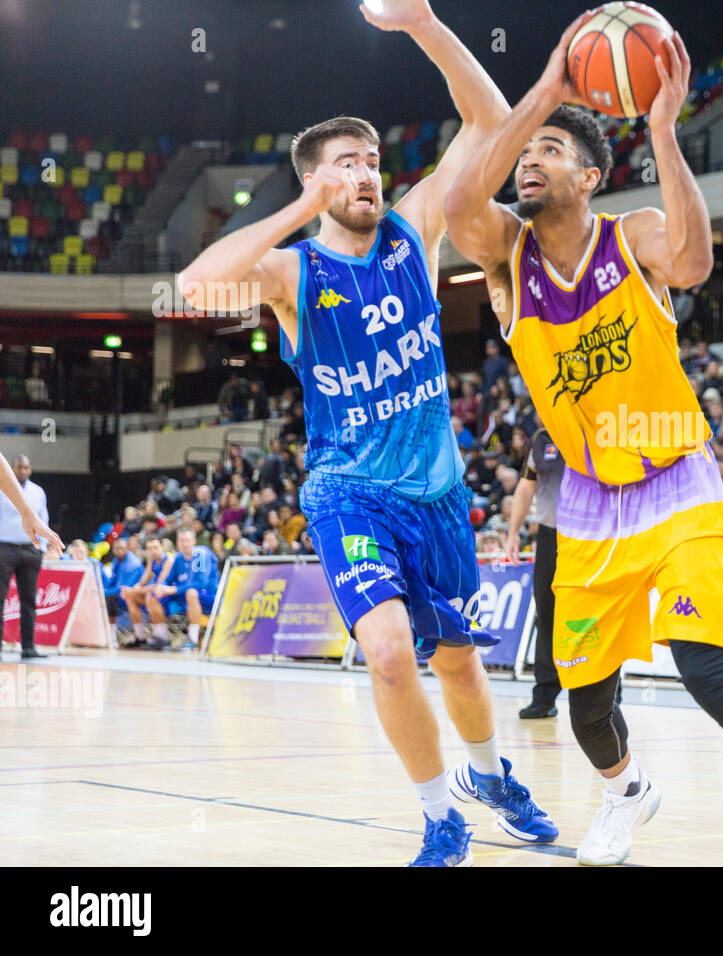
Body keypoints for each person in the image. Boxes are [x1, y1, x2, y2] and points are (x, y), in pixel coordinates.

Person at [444, 18, 723, 867]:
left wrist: (663, 132)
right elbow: (456, 205)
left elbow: (698, 260)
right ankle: (625, 793)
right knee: (584, 704)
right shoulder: (504, 263)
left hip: (678, 481)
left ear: (591, 176)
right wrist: (549, 92)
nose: (531, 160)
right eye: (528, 153)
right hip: (590, 503)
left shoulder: (629, 237)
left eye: (551, 150)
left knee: (708, 672)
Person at [176, 0, 554, 867]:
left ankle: (489, 777)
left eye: (373, 160)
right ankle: (438, 819)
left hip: (438, 492)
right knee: (388, 653)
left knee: (458, 662)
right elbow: (195, 286)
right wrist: (295, 208)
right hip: (348, 491)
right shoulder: (290, 271)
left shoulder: (413, 234)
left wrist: (421, 23)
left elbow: (491, 123)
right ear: (315, 182)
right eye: (347, 164)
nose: (368, 174)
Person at [506, 426, 568, 719]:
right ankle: (544, 696)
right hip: (548, 537)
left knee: (595, 615)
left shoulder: (592, 429)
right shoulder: (542, 439)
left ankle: (608, 693)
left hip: (588, 537)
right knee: (547, 613)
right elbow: (526, 486)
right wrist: (513, 532)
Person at [0, 453, 63, 659]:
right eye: (18, 467)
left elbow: (42, 518)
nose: (22, 471)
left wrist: (42, 548)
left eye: (25, 468)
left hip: (30, 549)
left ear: (30, 470)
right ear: (13, 467)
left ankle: (28, 646)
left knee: (29, 599)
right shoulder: (2, 486)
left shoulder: (38, 492)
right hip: (5, 547)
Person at [151, 528, 219, 651]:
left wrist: (173, 590)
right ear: (177, 543)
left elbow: (199, 584)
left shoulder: (201, 554)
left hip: (209, 598)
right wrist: (161, 586)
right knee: (153, 595)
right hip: (185, 597)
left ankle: (192, 639)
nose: (184, 543)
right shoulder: (179, 557)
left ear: (194, 541)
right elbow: (169, 579)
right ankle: (162, 638)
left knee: (191, 593)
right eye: (181, 540)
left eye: (187, 540)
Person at [120, 535, 179, 649]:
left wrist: (135, 590)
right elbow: (143, 580)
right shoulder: (151, 560)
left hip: (172, 596)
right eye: (149, 548)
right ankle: (140, 637)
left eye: (155, 547)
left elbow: (159, 585)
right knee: (130, 597)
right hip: (157, 596)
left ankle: (162, 637)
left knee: (150, 595)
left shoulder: (170, 560)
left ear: (162, 547)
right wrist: (134, 588)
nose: (153, 551)